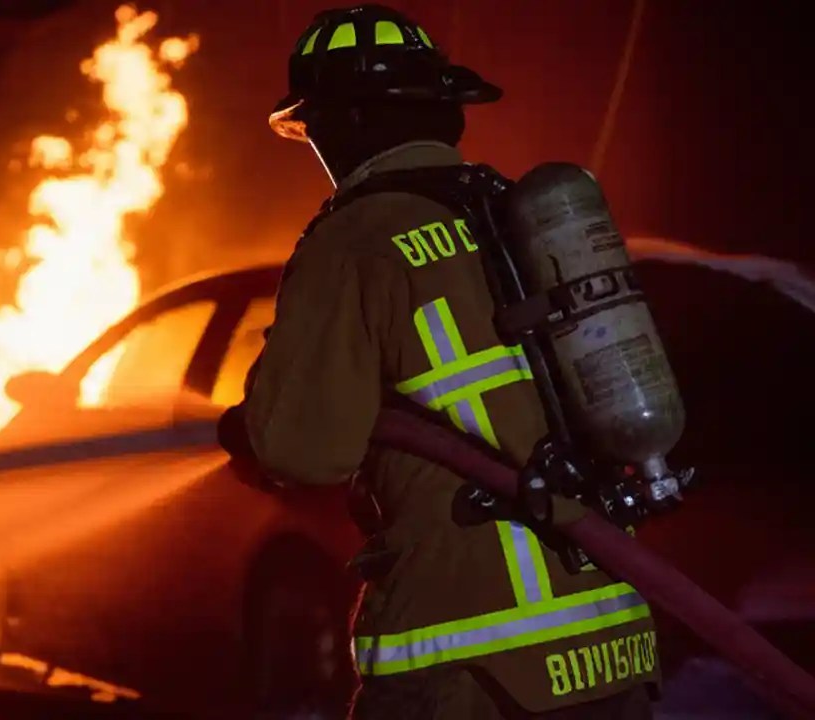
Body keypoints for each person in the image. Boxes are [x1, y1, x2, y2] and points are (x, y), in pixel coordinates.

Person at [217, 5, 660, 718]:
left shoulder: (354, 239)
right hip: (610, 641)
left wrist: (246, 431)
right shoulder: (515, 212)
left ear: (335, 125)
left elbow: (303, 449)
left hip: (472, 657)